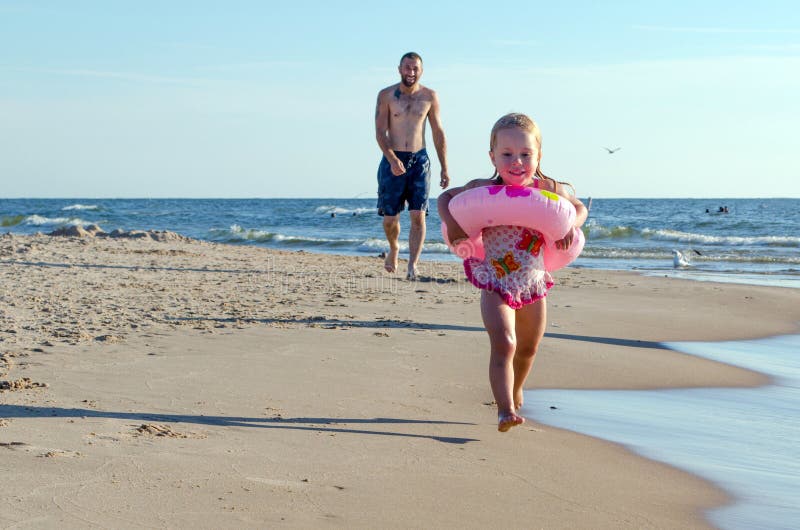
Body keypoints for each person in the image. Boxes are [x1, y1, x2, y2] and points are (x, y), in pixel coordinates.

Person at [438, 113, 587, 432]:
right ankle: (505, 410)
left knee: (528, 348)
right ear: (492, 157)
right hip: (495, 280)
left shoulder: (549, 189)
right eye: (506, 154)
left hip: (533, 282)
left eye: (525, 154)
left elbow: (580, 208)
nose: (516, 162)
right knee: (505, 343)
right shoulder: (483, 189)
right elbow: (445, 198)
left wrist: (569, 225)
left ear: (538, 156)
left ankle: (517, 387)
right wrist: (454, 226)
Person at [375, 52, 449, 280]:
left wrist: (444, 167)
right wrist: (392, 159)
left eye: (415, 68)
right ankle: (394, 247)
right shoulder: (387, 95)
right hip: (392, 158)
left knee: (418, 215)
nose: (411, 72)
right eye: (407, 67)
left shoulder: (429, 96)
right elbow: (380, 132)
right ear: (399, 69)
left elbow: (438, 132)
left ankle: (412, 265)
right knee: (390, 219)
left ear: (421, 71)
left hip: (419, 161)